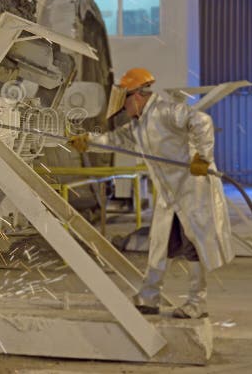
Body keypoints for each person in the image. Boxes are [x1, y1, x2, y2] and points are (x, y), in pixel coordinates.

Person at [69, 67, 234, 319]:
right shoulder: (138, 126)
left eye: (125, 102)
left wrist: (202, 156)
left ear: (137, 96)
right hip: (169, 195)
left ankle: (197, 303)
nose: (124, 108)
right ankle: (149, 298)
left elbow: (202, 121)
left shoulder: (166, 112)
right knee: (158, 245)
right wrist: (87, 141)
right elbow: (114, 140)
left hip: (193, 190)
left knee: (193, 246)